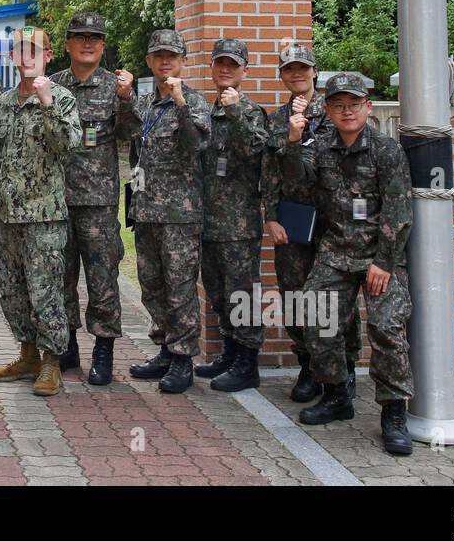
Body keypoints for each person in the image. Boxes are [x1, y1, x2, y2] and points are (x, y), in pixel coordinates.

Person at [283, 72, 415, 455]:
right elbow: (296, 185)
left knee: (386, 327)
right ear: (327, 109)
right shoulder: (321, 147)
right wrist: (294, 144)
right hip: (336, 253)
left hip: (380, 258)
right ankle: (337, 393)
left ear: (368, 107)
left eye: (354, 104)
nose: (347, 111)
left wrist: (384, 262)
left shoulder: (387, 151)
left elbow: (399, 211)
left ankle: (393, 412)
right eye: (338, 104)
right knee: (314, 313)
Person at [0, 26, 81, 397]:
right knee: (13, 290)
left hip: (44, 215)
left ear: (48, 56)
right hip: (8, 216)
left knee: (46, 291)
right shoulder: (3, 104)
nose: (27, 57)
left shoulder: (64, 99)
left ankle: (52, 361)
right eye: (21, 51)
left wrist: (47, 103)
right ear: (12, 57)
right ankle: (27, 355)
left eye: (34, 52)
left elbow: (69, 145)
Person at [260, 43, 360, 402]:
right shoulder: (276, 120)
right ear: (282, 76)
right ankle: (308, 364)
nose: (297, 74)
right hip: (295, 219)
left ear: (315, 72)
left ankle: (343, 367)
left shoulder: (337, 110)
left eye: (303, 68)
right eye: (289, 69)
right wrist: (270, 217)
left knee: (337, 297)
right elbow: (269, 173)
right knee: (295, 294)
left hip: (334, 221)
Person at [47, 12, 135, 385]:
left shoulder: (115, 87)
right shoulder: (50, 85)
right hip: (56, 200)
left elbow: (131, 133)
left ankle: (103, 350)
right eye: (80, 37)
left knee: (102, 279)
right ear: (67, 44)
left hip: (98, 202)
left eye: (95, 38)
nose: (87, 43)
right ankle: (66, 347)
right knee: (60, 277)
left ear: (102, 46)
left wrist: (128, 99)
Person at [123, 30, 211, 393]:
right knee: (152, 287)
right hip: (146, 212)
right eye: (158, 56)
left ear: (183, 61)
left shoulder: (195, 102)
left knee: (180, 289)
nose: (165, 62)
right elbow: (132, 149)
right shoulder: (143, 105)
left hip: (179, 215)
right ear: (149, 61)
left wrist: (180, 104)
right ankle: (163, 348)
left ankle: (182, 359)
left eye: (172, 56)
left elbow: (196, 145)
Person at [196, 38, 269, 392]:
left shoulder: (251, 111)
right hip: (208, 222)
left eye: (233, 65)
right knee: (219, 293)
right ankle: (228, 351)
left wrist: (237, 110)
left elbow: (255, 151)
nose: (225, 70)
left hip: (239, 225)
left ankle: (247, 362)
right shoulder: (206, 112)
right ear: (211, 67)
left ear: (245, 70)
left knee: (242, 295)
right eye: (220, 63)